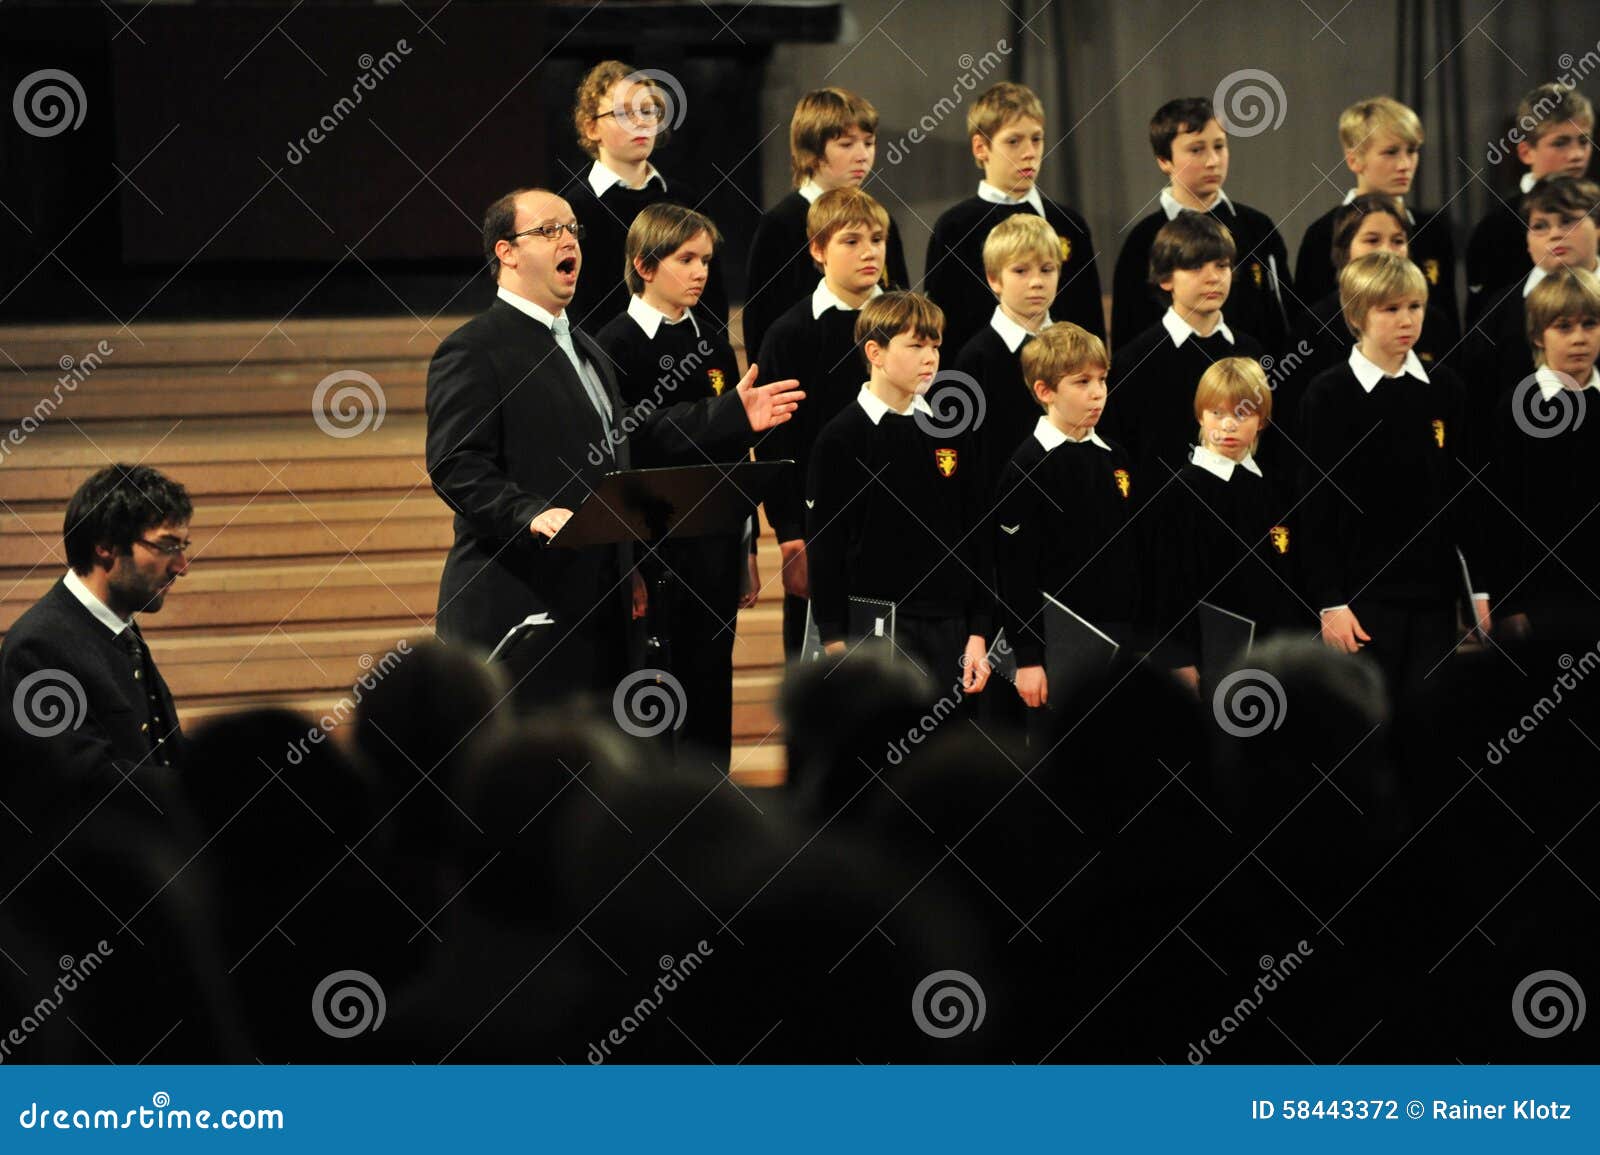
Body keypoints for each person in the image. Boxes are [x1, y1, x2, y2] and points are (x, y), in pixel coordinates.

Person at [425, 187, 802, 707]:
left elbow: (628, 437)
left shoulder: (587, 349)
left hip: (597, 607)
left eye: (573, 229)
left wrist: (729, 415)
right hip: (519, 603)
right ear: (506, 252)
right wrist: (530, 514)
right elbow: (457, 464)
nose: (569, 241)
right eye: (548, 230)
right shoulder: (473, 348)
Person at [594, 203, 765, 770]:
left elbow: (732, 454)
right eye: (685, 259)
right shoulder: (612, 345)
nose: (700, 273)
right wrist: (629, 564)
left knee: (711, 684)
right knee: (652, 693)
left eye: (707, 261)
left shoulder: (713, 340)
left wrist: (746, 547)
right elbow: (630, 443)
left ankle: (712, 812)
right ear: (645, 265)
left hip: (713, 547)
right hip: (652, 548)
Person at [1298, 252, 1489, 708]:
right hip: (1360, 601)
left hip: (1433, 595)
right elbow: (1313, 504)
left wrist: (1477, 589)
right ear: (1357, 315)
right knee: (1368, 726)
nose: (1406, 320)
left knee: (1429, 725)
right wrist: (1329, 601)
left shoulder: (1446, 388)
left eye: (1415, 307)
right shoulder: (1328, 395)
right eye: (1390, 309)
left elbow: (1468, 497)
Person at [805, 291, 993, 699]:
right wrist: (834, 637)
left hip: (949, 624)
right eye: (916, 345)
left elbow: (976, 533)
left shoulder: (952, 431)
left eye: (935, 346)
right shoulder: (842, 437)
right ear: (875, 351)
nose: (930, 357)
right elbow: (826, 544)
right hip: (873, 624)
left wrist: (979, 630)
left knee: (944, 752)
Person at [752, 187, 890, 657]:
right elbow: (774, 442)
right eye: (851, 240)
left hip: (896, 535)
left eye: (877, 238)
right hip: (820, 533)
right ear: (817, 249)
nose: (869, 251)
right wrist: (790, 532)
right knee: (821, 686)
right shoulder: (790, 334)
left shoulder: (909, 329)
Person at [1, 463, 192, 794]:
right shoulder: (38, 646)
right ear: (106, 545)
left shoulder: (119, 629)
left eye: (182, 547)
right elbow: (82, 783)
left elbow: (157, 750)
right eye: (166, 546)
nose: (181, 567)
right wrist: (208, 790)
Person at [994, 323, 1140, 719]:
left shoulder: (1115, 457)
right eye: (1081, 382)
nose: (1097, 392)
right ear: (1045, 391)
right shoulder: (1026, 466)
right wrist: (1027, 657)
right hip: (1058, 645)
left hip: (1119, 635)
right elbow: (1016, 572)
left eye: (1102, 379)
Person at [1150, 358, 1311, 692]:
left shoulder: (1277, 489)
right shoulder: (1181, 491)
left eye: (1241, 414)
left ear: (1262, 419)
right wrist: (1178, 657)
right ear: (1200, 415)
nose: (1228, 426)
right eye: (1217, 413)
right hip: (1210, 657)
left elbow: (1292, 576)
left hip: (1276, 655)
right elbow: (1166, 584)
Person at [922, 81, 1103, 356]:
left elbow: (1089, 317)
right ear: (981, 147)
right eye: (1013, 141)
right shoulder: (955, 227)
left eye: (1037, 139)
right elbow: (943, 325)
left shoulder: (1069, 223)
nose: (1029, 152)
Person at [559, 60, 731, 335]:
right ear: (592, 128)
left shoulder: (684, 200)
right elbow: (573, 307)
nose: (640, 122)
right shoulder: (573, 209)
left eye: (647, 110)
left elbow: (712, 300)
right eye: (624, 114)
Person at [1111, 96, 1294, 353]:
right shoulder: (1144, 239)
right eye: (1196, 150)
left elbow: (1284, 318)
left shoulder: (1257, 228)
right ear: (1164, 160)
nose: (1213, 161)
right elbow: (1129, 335)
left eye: (1219, 146)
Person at [741, 88, 910, 362]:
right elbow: (762, 322)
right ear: (813, 151)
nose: (862, 156)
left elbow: (898, 302)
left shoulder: (880, 219)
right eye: (846, 144)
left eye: (868, 143)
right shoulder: (782, 224)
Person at [1278, 194, 1457, 439]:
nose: (1387, 251)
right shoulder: (1315, 325)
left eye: (1398, 240)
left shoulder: (1435, 323)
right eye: (1372, 240)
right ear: (1344, 249)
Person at [1100, 213, 1265, 478]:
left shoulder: (1250, 352)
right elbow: (1122, 452)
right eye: (1196, 267)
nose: (1213, 278)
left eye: (1221, 266)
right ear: (1165, 278)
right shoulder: (1133, 361)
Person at [1486, 267, 1600, 640]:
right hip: (1540, 599)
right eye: (1564, 327)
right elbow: (1500, 512)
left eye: (1590, 324)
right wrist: (1507, 602)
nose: (1579, 338)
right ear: (1537, 335)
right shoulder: (1516, 408)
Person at [1294, 96, 1458, 324]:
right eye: (1391, 152)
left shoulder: (1433, 230)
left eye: (1412, 151)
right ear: (1354, 160)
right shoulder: (1322, 234)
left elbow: (1448, 319)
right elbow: (1308, 324)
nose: (1405, 165)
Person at [1462, 176, 1600, 414]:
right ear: (1527, 241)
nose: (1555, 234)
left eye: (1567, 221)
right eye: (1540, 226)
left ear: (1597, 228)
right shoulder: (1499, 311)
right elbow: (1479, 401)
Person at [952, 213, 1064, 500]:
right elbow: (968, 457)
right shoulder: (974, 359)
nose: (1037, 282)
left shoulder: (1074, 347)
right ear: (994, 279)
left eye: (1047, 269)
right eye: (1021, 271)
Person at [1465, 83, 1594, 327]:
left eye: (1584, 141)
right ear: (1526, 152)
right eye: (1561, 143)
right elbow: (1482, 329)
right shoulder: (1495, 230)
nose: (1577, 154)